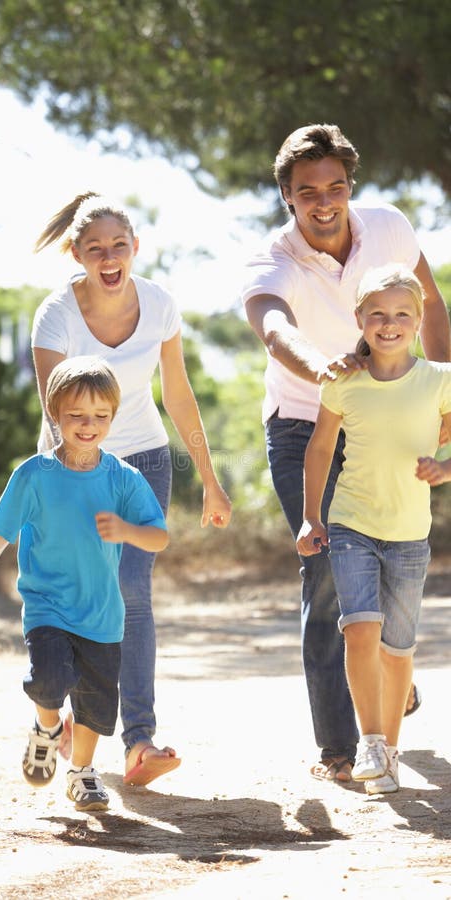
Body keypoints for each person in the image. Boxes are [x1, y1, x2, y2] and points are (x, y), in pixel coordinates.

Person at [241, 123, 451, 784]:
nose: (324, 201)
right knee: (326, 565)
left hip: (384, 413)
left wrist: (441, 397)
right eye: (308, 191)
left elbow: (430, 303)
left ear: (350, 186)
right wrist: (322, 368)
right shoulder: (271, 258)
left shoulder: (388, 226)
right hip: (302, 422)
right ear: (287, 196)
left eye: (335, 186)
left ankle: (384, 673)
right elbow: (273, 326)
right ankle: (340, 746)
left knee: (388, 563)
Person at [31, 192, 232, 785]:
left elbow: (178, 395)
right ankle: (71, 717)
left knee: (132, 591)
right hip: (72, 467)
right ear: (77, 254)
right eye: (95, 248)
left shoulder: (160, 303)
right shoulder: (56, 314)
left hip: (143, 459)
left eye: (119, 245)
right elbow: (53, 410)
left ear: (136, 247)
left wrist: (211, 480)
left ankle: (138, 739)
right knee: (78, 595)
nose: (109, 257)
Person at [0, 356, 169, 811]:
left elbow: (159, 535)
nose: (89, 425)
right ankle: (47, 727)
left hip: (102, 615)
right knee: (48, 679)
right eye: (77, 415)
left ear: (114, 415)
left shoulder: (123, 478)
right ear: (55, 414)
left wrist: (128, 531)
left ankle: (82, 773)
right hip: (47, 606)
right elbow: (0, 532)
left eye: (100, 416)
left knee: (95, 704)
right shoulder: (34, 475)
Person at [296, 264, 451, 794]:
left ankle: (392, 752)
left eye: (403, 314)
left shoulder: (439, 379)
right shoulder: (344, 382)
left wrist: (444, 469)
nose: (390, 323)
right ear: (360, 318)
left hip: (409, 533)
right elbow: (320, 447)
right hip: (351, 524)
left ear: (419, 319)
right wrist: (311, 515)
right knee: (359, 628)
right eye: (378, 314)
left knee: (397, 648)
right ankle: (372, 743)